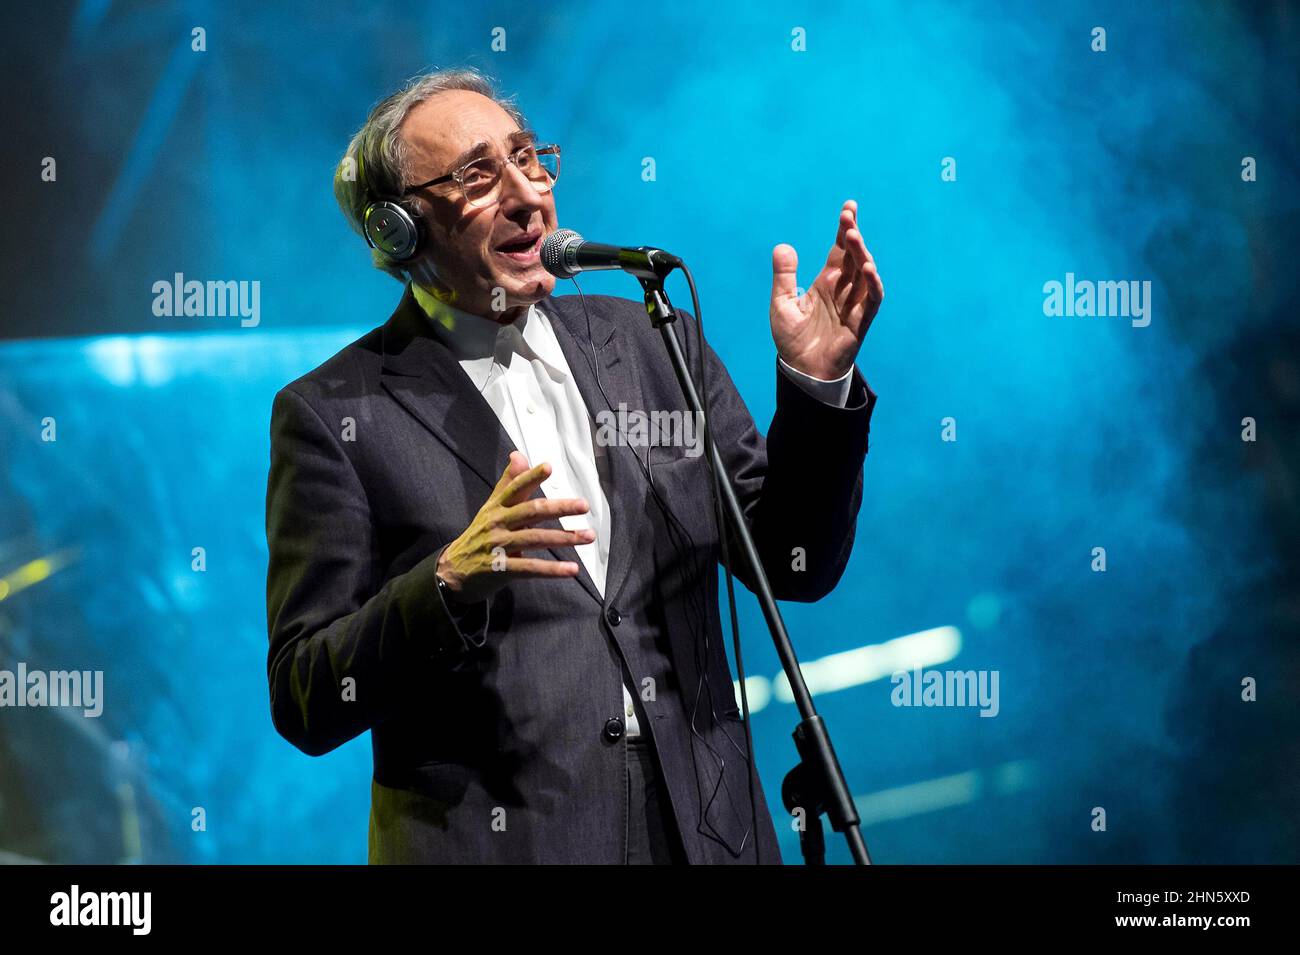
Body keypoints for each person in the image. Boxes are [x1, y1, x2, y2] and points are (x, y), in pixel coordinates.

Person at [265, 67, 884, 864]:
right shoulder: (334, 412)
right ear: (397, 230)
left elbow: (792, 562)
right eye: (479, 174)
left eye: (529, 158)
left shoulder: (653, 339)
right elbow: (306, 695)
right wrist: (448, 582)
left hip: (710, 836)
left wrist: (815, 388)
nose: (527, 193)